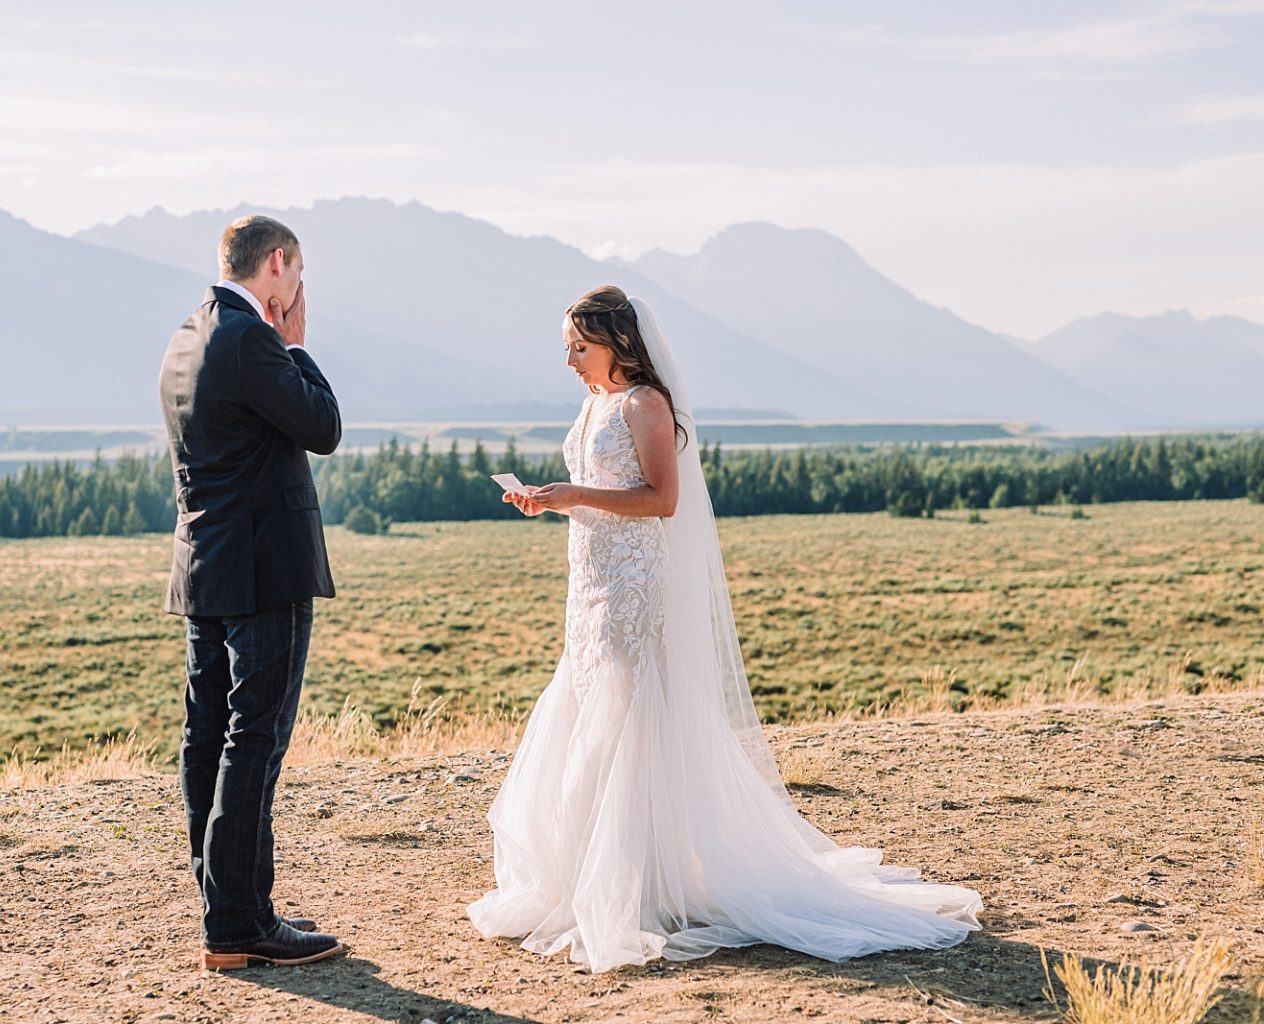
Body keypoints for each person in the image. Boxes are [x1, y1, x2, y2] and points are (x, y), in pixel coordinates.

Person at [467, 285, 982, 972]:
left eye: (578, 348)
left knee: (633, 713)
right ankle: (604, 873)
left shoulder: (644, 404)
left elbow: (661, 498)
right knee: (594, 707)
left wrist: (575, 495)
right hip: (590, 583)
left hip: (633, 586)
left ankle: (642, 886)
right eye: (567, 348)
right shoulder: (593, 402)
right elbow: (595, 489)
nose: (569, 361)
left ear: (619, 344)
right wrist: (549, 502)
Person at [158, 214, 345, 970]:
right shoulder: (251, 337)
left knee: (208, 733)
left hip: (205, 563)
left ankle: (228, 902)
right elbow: (322, 425)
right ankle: (239, 922)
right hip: (265, 566)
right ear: (277, 263)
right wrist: (296, 340)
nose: (299, 288)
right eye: (297, 273)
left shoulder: (187, 333)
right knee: (254, 738)